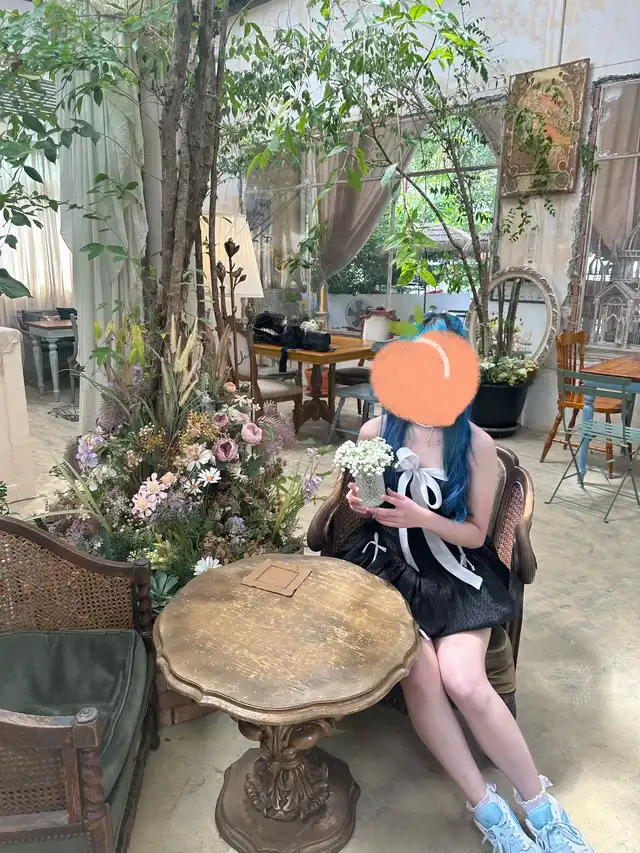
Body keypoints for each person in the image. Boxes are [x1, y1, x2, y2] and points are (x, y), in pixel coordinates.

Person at [336, 312, 594, 853]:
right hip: (389, 570)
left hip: (454, 572)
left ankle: (542, 808)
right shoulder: (375, 432)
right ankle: (488, 810)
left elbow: (477, 534)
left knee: (465, 681)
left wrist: (422, 517)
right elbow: (367, 507)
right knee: (421, 677)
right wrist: (361, 504)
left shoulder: (475, 444)